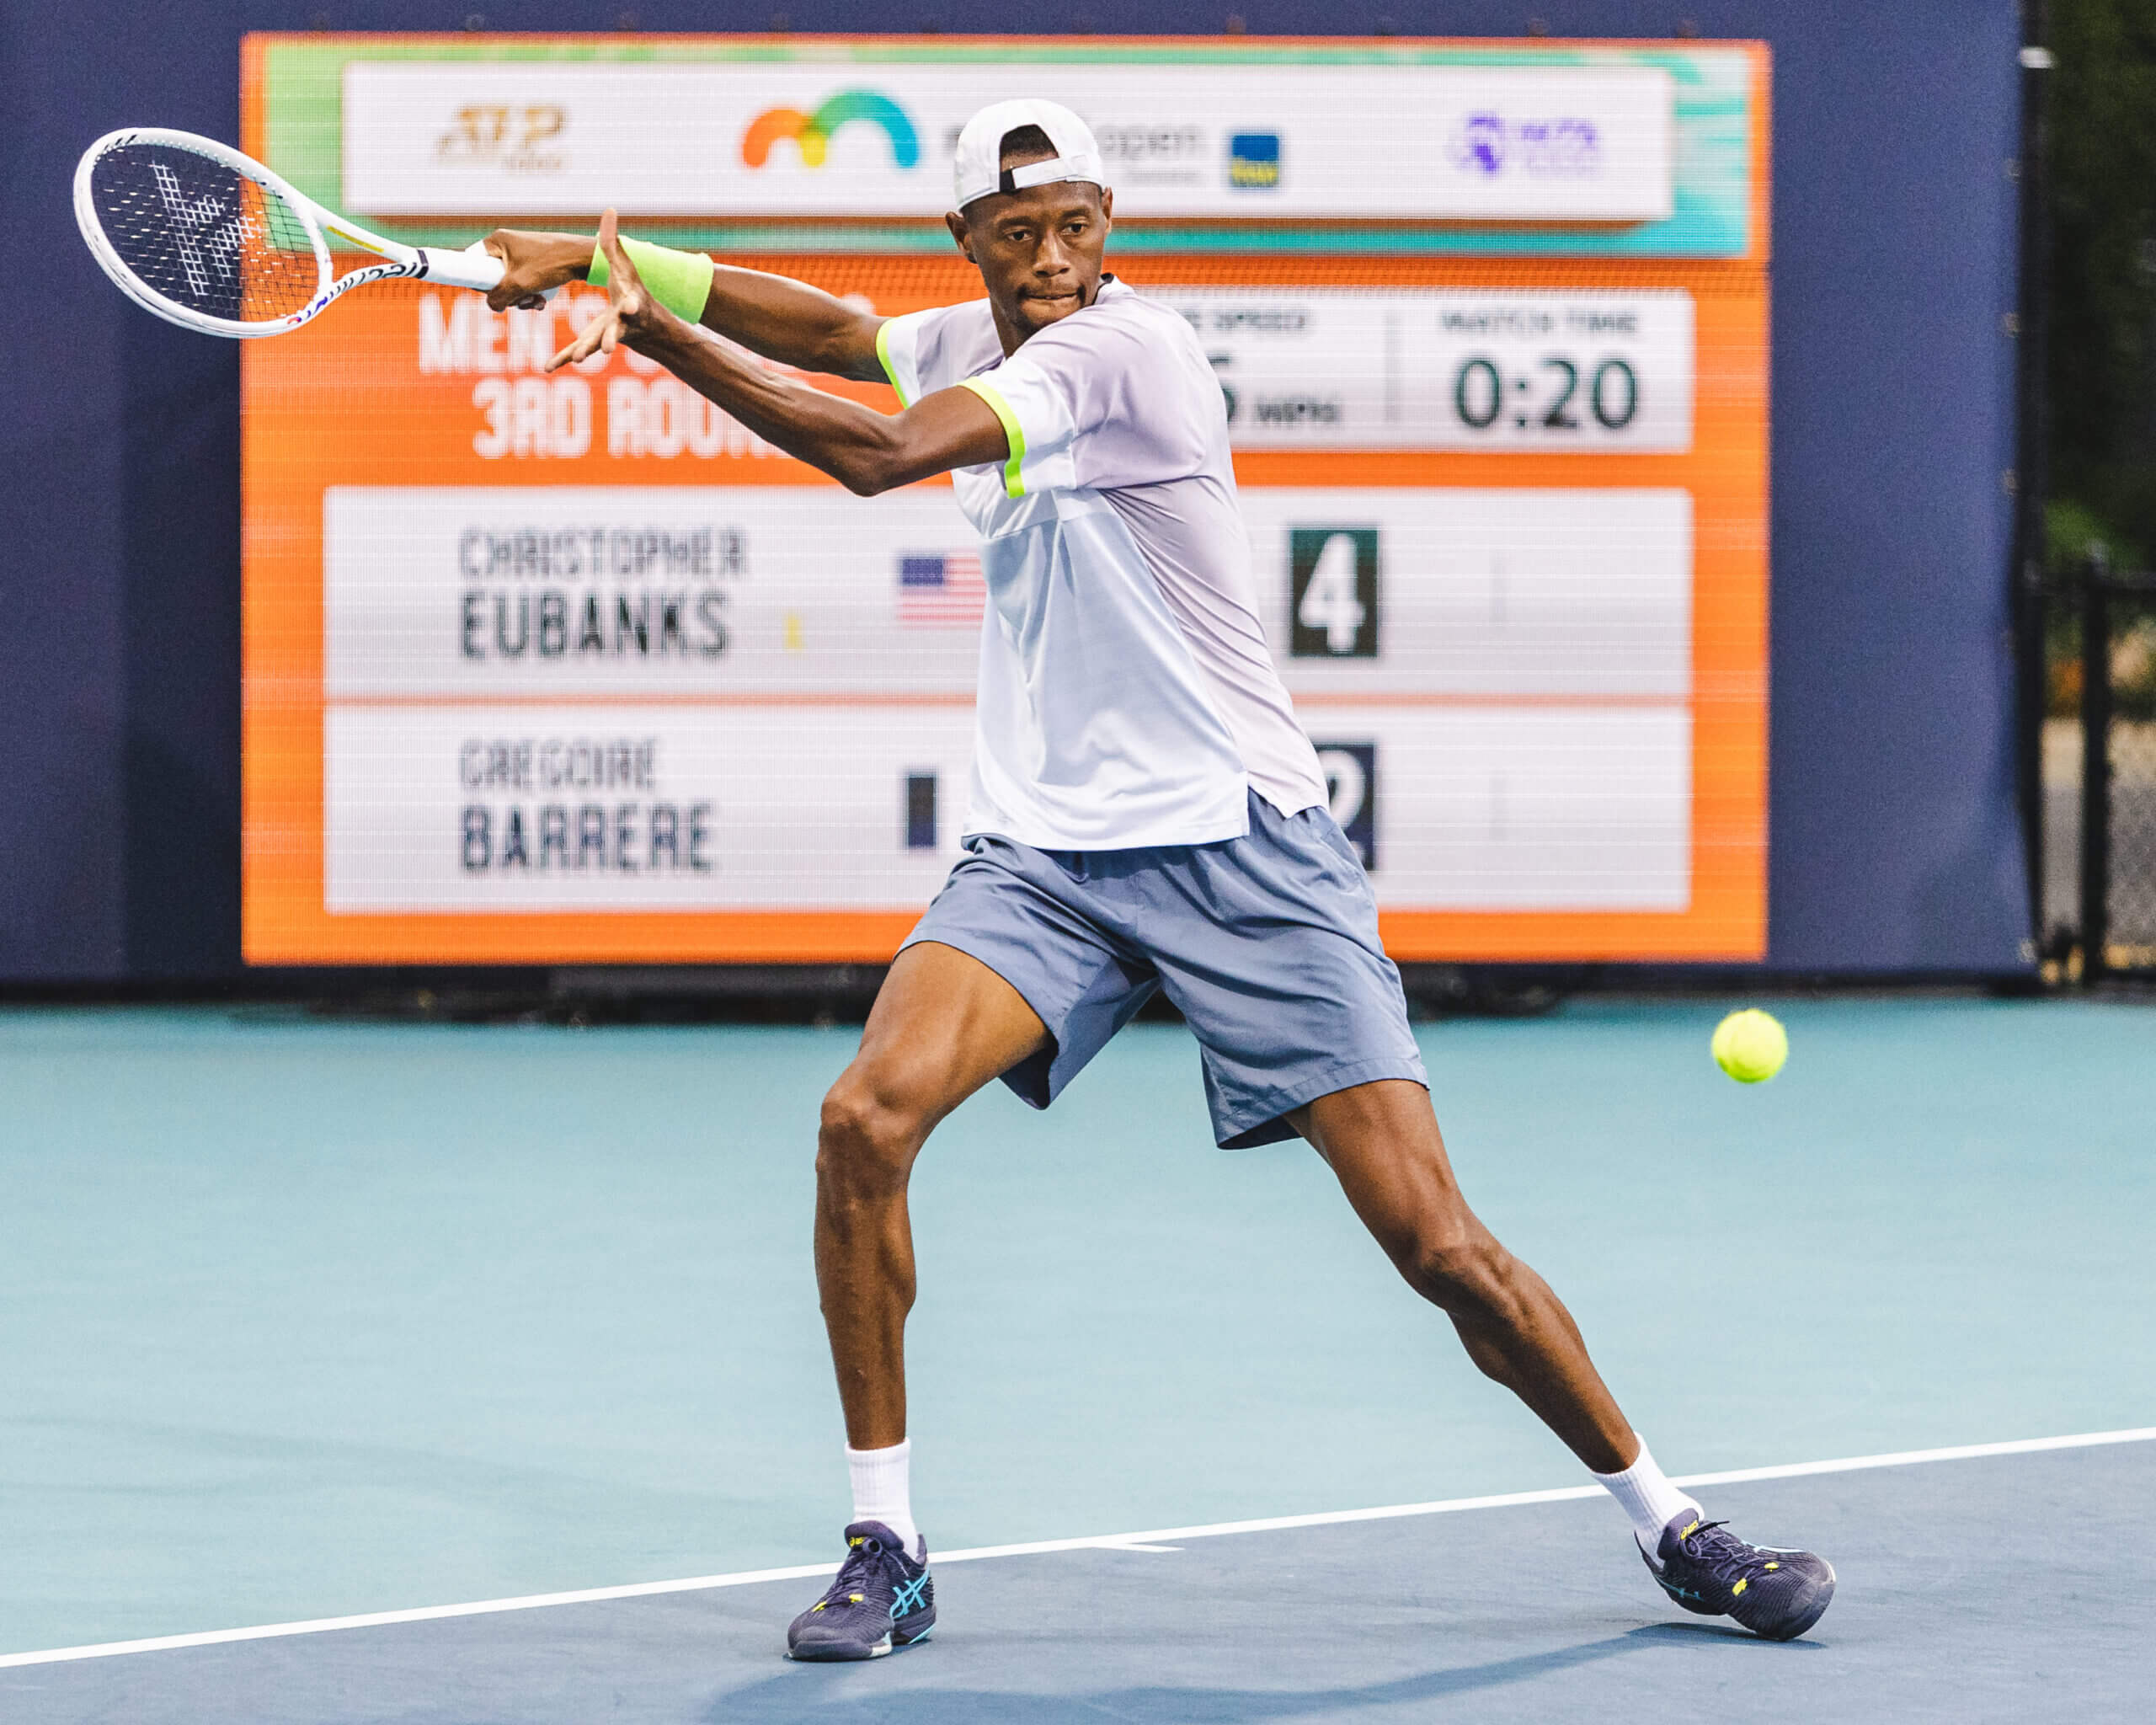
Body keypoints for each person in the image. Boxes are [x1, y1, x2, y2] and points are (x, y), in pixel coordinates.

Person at [484, 97, 1835, 1662]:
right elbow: (850, 332)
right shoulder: (970, 334)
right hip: (1048, 861)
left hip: (1238, 848)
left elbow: (874, 453)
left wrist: (646, 330)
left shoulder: (1122, 358)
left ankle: (1673, 1524)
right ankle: (888, 1542)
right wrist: (606, 253)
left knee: (1435, 1247)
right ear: (970, 244)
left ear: (1106, 222)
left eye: (1077, 225)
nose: (1054, 259)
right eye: (1017, 235)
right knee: (864, 1120)